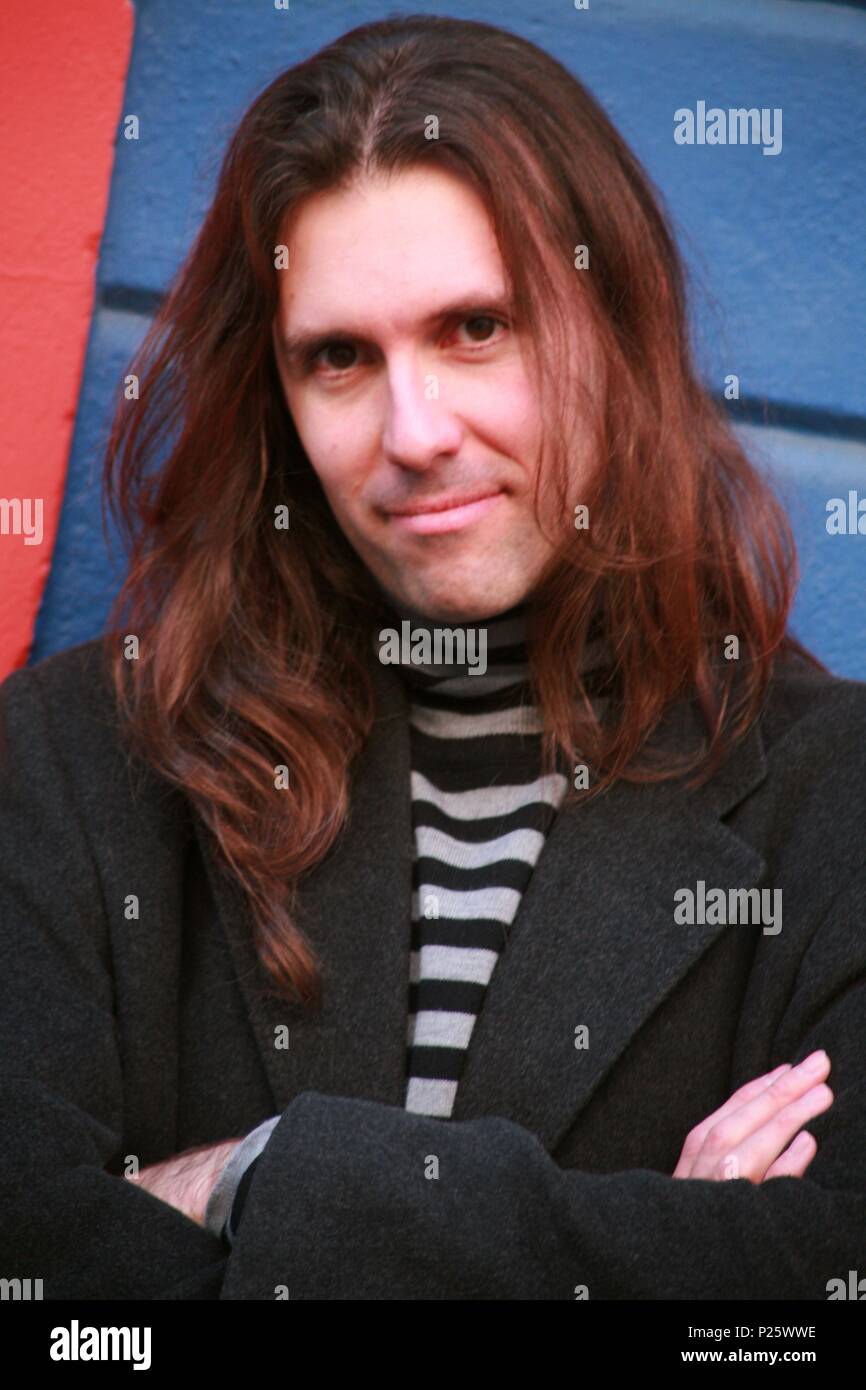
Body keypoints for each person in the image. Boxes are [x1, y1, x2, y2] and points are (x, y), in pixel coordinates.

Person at [1, 14, 864, 1302]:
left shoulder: (836, 800)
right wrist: (655, 1255)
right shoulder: (80, 756)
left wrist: (251, 1183)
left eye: (477, 329)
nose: (415, 433)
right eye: (340, 356)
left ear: (612, 333)